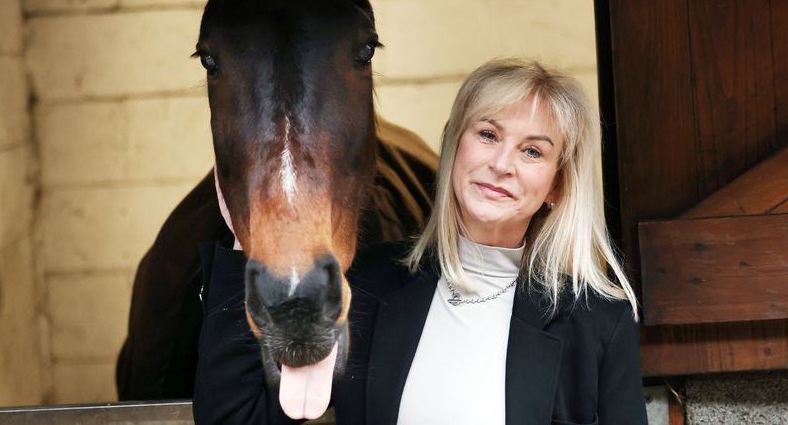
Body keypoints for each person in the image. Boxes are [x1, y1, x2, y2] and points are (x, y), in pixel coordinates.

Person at [193, 58, 648, 425]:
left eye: (533, 151)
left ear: (557, 185)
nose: (502, 164)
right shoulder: (367, 288)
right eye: (488, 135)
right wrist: (247, 240)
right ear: (455, 147)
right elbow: (234, 416)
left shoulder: (598, 324)